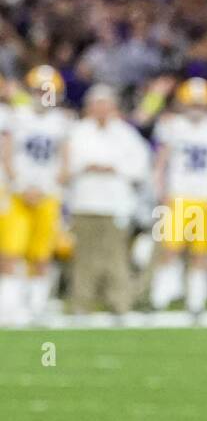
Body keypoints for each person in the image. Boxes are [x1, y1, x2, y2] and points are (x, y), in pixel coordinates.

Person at [61, 85, 151, 314]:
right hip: (85, 201)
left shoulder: (125, 133)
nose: (101, 109)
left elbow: (140, 165)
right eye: (96, 104)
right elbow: (66, 164)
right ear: (89, 107)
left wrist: (113, 167)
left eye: (105, 104)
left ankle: (119, 303)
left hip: (115, 204)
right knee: (84, 257)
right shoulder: (77, 131)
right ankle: (82, 304)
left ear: (113, 107)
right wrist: (88, 166)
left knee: (116, 257)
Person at [150, 77, 207, 314]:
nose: (196, 108)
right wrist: (160, 192)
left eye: (200, 103)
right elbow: (161, 163)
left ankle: (196, 302)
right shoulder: (172, 125)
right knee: (170, 249)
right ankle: (160, 299)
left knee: (202, 252)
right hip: (178, 195)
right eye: (192, 102)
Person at [0, 66, 74, 324]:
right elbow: (5, 154)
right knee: (10, 251)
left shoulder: (61, 121)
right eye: (38, 90)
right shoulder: (15, 116)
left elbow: (65, 161)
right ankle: (9, 308)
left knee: (41, 254)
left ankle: (36, 306)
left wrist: (47, 187)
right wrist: (21, 185)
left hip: (48, 193)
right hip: (18, 192)